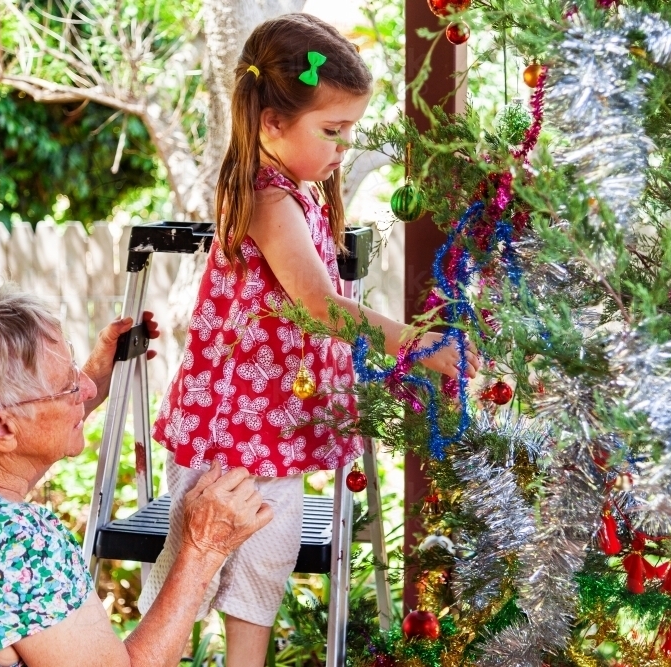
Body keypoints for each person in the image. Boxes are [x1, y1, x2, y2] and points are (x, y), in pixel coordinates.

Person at [140, 12, 480, 666]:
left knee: (264, 578)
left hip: (279, 431)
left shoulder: (299, 193)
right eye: (332, 131)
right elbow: (322, 306)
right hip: (228, 435)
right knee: (189, 576)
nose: (342, 148)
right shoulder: (269, 200)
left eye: (348, 131)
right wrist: (416, 344)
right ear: (272, 123)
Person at [0, 284, 274, 667]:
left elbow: (19, 446)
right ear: (1, 429)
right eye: (67, 387)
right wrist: (202, 549)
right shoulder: (9, 543)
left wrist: (92, 375)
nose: (87, 387)